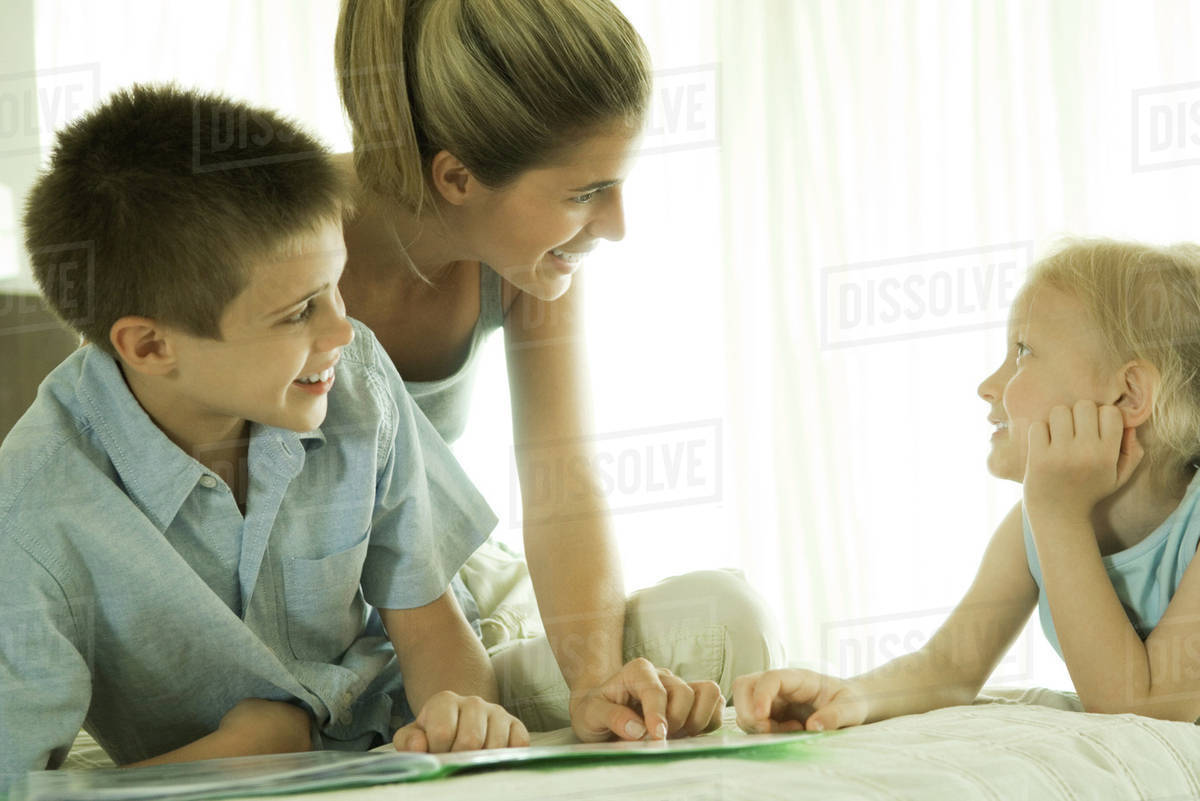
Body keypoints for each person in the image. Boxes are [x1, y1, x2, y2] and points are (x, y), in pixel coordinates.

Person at [0, 84, 531, 793]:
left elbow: (430, 619)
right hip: (296, 754)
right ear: (151, 345)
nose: (343, 330)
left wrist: (460, 713)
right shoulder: (35, 513)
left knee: (712, 618)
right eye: (298, 311)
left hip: (465, 624)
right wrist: (231, 757)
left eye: (335, 287)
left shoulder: (353, 373)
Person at [333, 0, 784, 742]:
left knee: (733, 619)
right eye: (583, 194)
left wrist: (599, 684)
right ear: (456, 177)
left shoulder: (528, 263)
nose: (616, 225)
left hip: (465, 607)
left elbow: (561, 478)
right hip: (353, 638)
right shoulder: (281, 241)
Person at [733, 240, 1200, 733]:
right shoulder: (1034, 525)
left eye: (1023, 353)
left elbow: (1145, 710)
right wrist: (853, 695)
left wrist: (1058, 514)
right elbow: (949, 667)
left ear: (1127, 394)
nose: (988, 385)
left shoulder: (1056, 516)